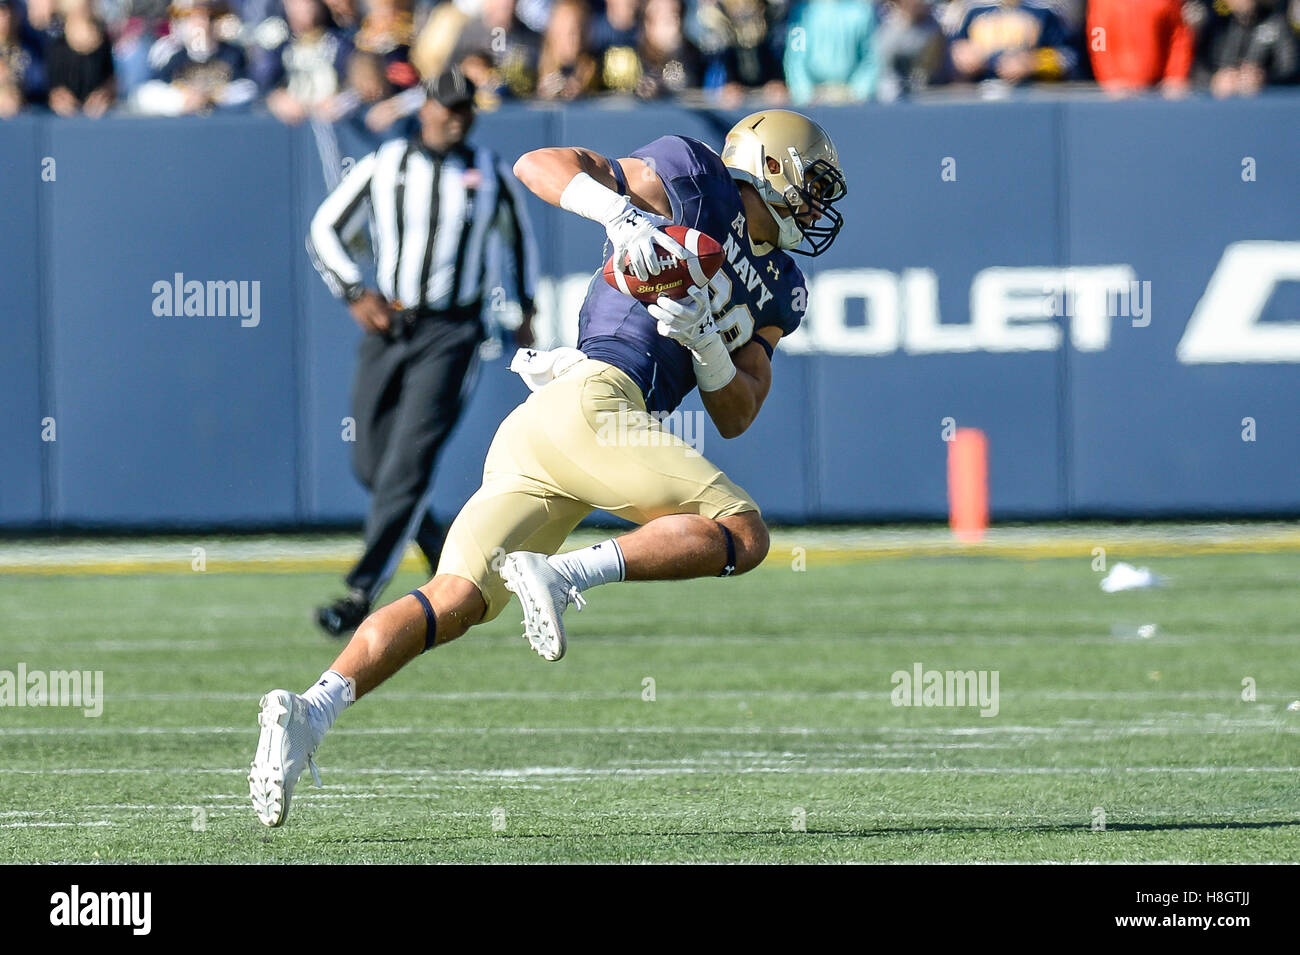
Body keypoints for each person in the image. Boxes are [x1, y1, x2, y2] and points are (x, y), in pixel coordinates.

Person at [249, 108, 848, 827]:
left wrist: (709, 347)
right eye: (813, 183)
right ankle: (561, 573)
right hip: (594, 400)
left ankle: (310, 708)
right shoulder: (693, 176)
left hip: (550, 427)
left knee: (454, 597)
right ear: (772, 165)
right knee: (742, 533)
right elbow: (541, 163)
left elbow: (737, 409)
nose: (817, 204)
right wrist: (623, 218)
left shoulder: (781, 283)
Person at [304, 66, 538, 639]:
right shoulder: (387, 164)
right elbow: (326, 227)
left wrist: (526, 310)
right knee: (372, 465)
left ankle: (361, 593)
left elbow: (520, 241)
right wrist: (354, 291)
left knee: (408, 463)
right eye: (447, 107)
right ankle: (446, 559)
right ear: (425, 108)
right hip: (390, 325)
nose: (456, 119)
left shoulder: (488, 173)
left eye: (466, 110)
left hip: (453, 334)